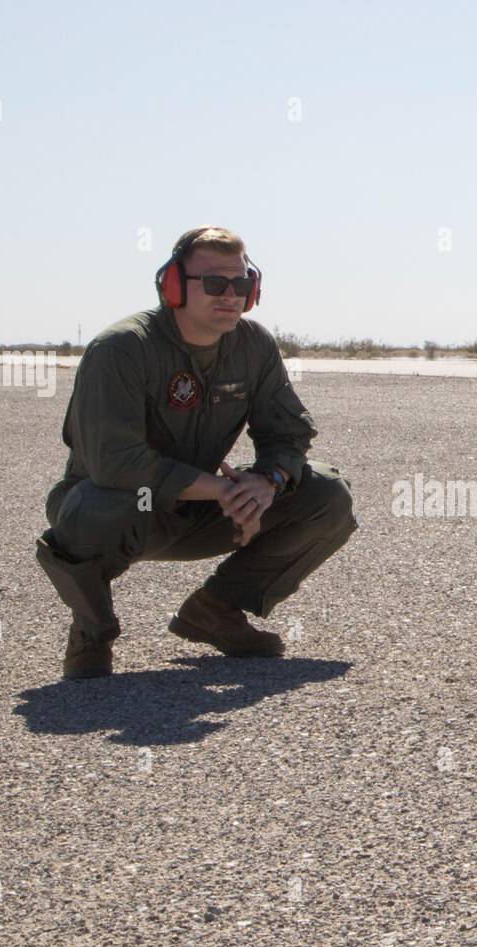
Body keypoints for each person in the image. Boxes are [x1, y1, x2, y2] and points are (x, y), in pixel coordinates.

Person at [35, 225, 357, 679]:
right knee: (93, 503)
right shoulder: (122, 349)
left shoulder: (254, 345)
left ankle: (216, 611)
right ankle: (91, 632)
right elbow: (115, 462)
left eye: (241, 284)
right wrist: (225, 491)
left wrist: (265, 485)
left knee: (326, 493)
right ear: (172, 286)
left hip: (200, 509)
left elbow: (287, 435)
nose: (230, 295)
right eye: (214, 283)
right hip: (124, 511)